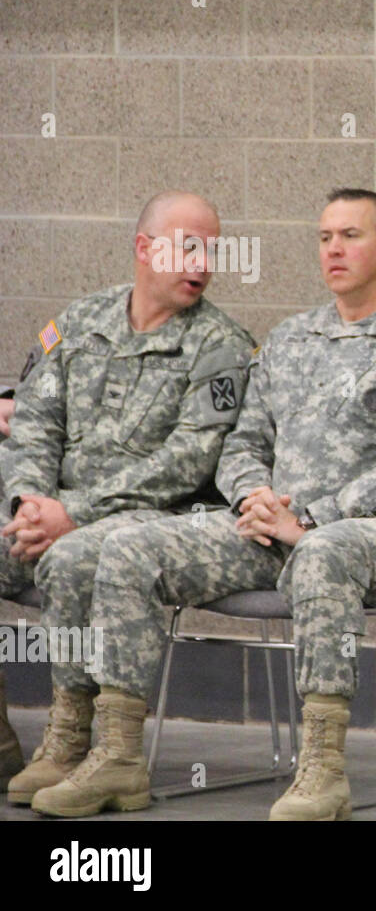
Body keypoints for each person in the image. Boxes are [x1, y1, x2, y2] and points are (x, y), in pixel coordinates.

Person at [30, 189, 376, 820]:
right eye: (324, 238)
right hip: (268, 528)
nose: (334, 249)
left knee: (322, 554)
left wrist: (308, 519)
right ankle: (119, 758)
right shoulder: (291, 338)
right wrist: (252, 494)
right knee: (129, 548)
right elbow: (242, 441)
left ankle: (322, 771)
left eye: (350, 236)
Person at [1, 192, 256, 801]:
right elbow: (35, 421)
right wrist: (28, 504)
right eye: (188, 246)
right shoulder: (80, 322)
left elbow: (188, 462)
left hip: (154, 518)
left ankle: (71, 734)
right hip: (54, 511)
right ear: (145, 249)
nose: (202, 262)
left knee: (71, 556)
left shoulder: (220, 345)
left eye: (212, 250)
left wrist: (75, 514)